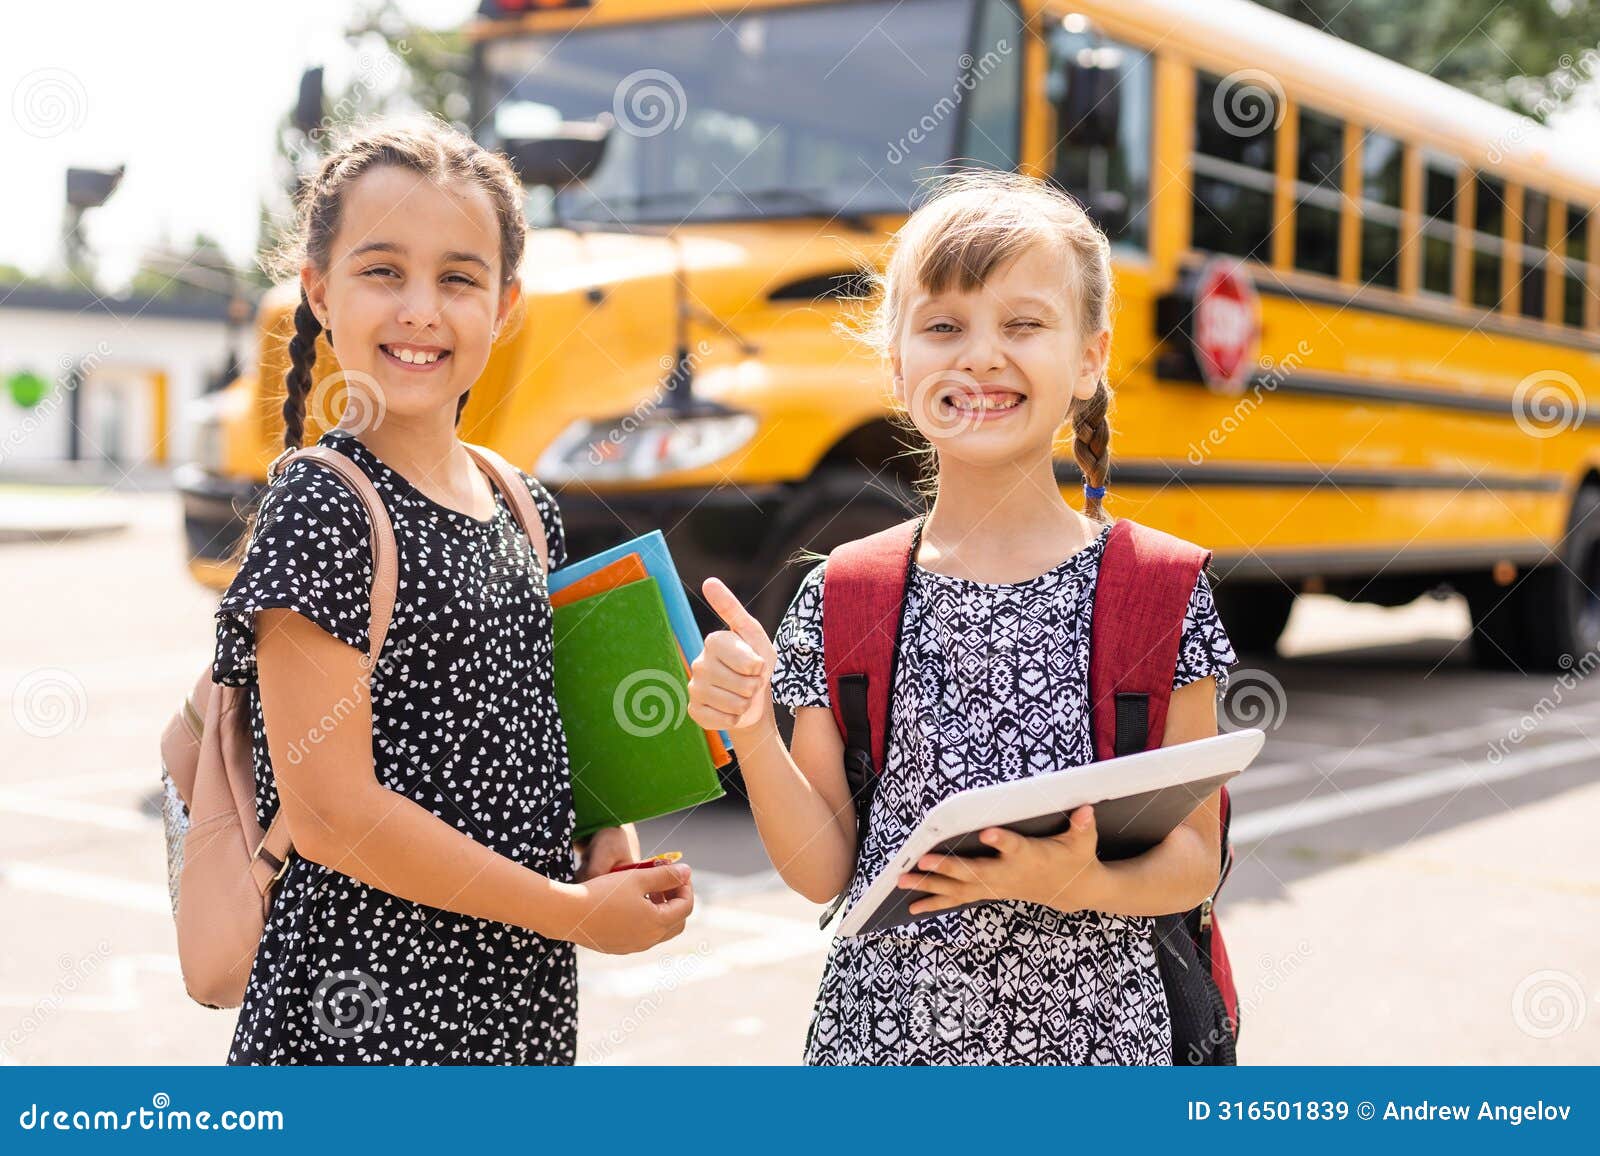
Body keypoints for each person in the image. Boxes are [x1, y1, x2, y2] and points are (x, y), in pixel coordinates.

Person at [687, 169, 1238, 1064]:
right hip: (883, 1049)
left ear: (1091, 358)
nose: (981, 356)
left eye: (1023, 325)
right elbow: (823, 870)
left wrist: (1081, 878)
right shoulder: (843, 595)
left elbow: (1195, 858)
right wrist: (752, 731)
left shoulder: (1159, 591)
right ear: (898, 364)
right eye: (944, 326)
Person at [214, 117, 693, 1065]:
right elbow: (332, 813)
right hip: (357, 1024)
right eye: (383, 271)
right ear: (319, 291)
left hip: (515, 1013)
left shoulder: (525, 505)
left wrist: (609, 837)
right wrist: (569, 912)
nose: (421, 309)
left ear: (506, 304)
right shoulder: (321, 507)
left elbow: (556, 740)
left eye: (459, 278)